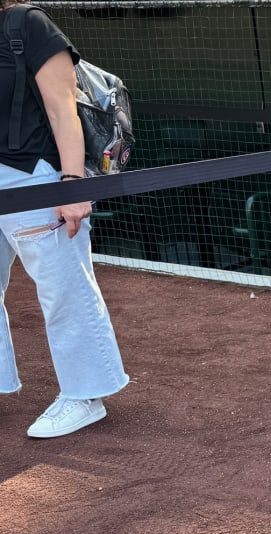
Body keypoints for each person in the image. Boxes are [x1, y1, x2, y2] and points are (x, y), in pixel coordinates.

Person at [0, 1, 127, 436]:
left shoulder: (25, 23)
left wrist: (72, 186)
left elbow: (63, 109)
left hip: (33, 176)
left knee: (63, 289)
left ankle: (85, 395)